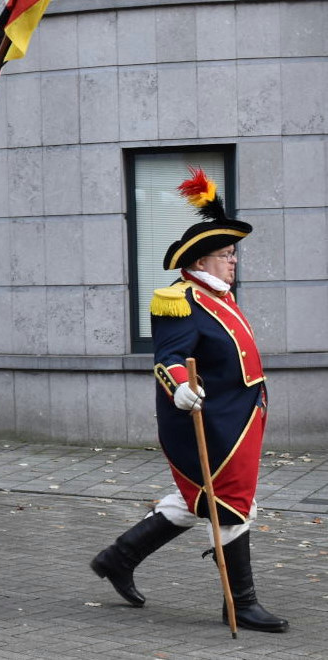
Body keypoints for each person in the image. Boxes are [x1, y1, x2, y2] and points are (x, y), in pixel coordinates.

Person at [89, 169, 287, 632]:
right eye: (225, 254)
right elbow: (169, 356)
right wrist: (179, 385)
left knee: (201, 500)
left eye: (233, 253)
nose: (233, 261)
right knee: (230, 503)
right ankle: (240, 603)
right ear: (200, 260)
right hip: (207, 419)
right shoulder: (178, 298)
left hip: (239, 417)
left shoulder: (220, 296)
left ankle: (118, 558)